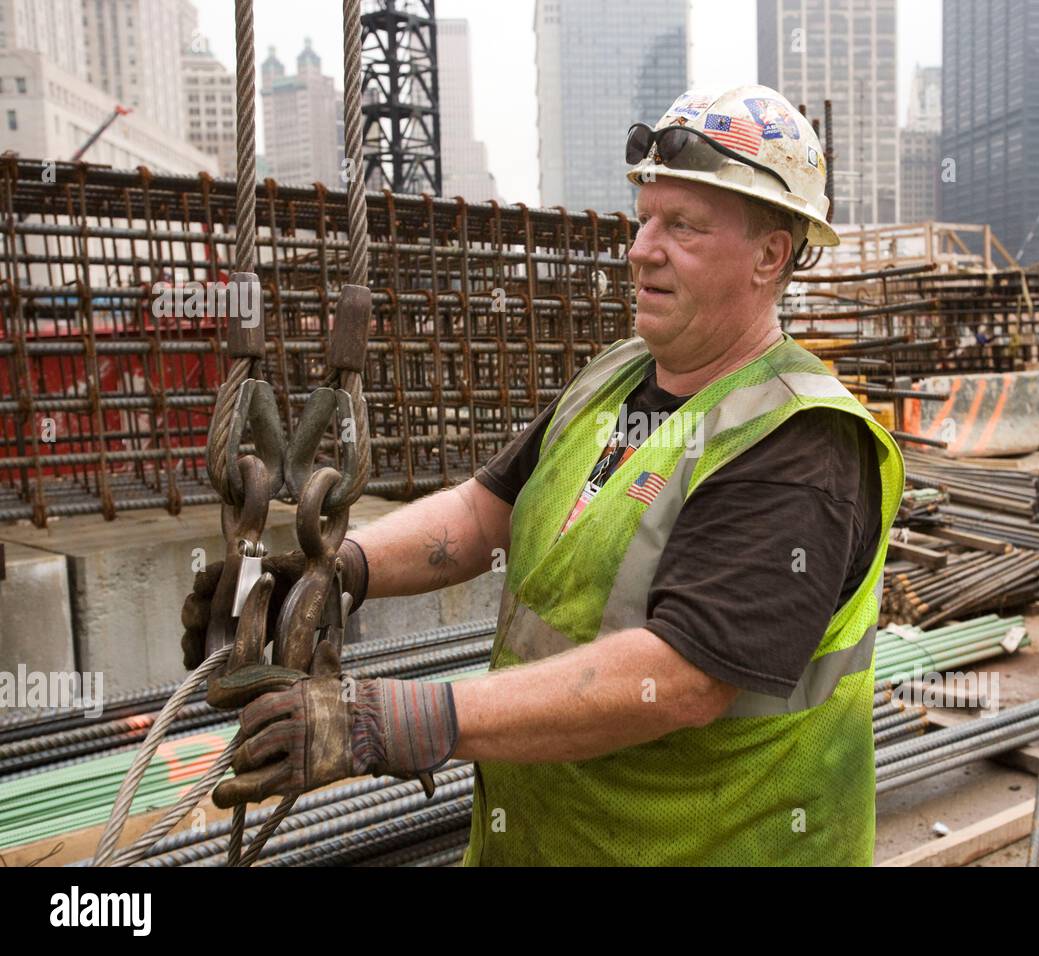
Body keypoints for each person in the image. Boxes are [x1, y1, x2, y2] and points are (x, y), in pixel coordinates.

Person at [182, 84, 903, 866]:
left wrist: (401, 719)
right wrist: (336, 573)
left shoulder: (800, 445)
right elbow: (483, 515)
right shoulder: (619, 377)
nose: (640, 250)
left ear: (772, 255)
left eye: (683, 227)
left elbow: (683, 677)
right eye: (645, 219)